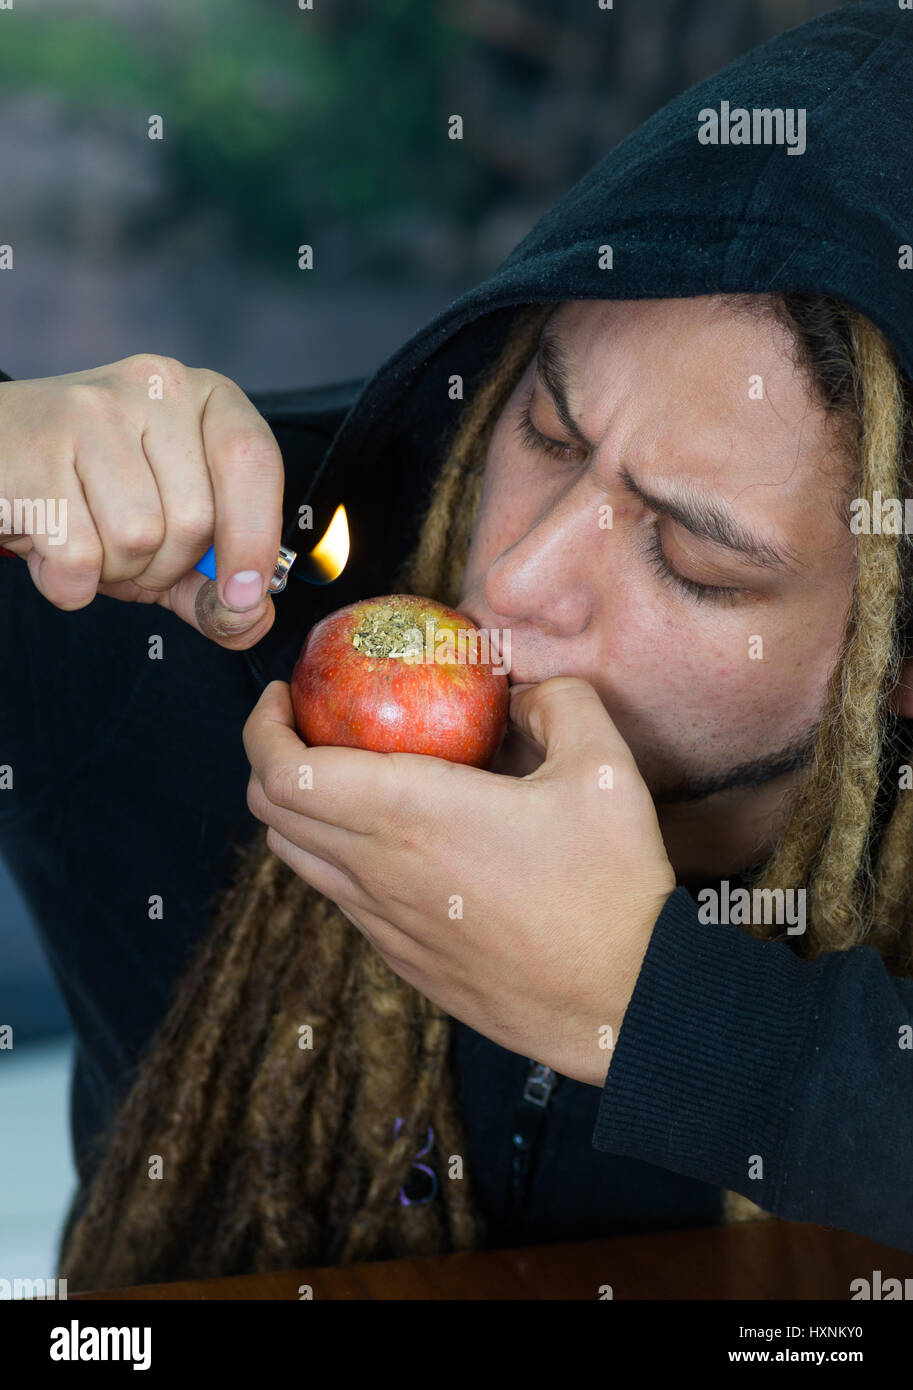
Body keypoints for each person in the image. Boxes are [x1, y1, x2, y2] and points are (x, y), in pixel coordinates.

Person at [2, 0, 912, 1293]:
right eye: (546, 429)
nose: (519, 578)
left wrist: (660, 1021)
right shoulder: (196, 592)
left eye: (692, 556)